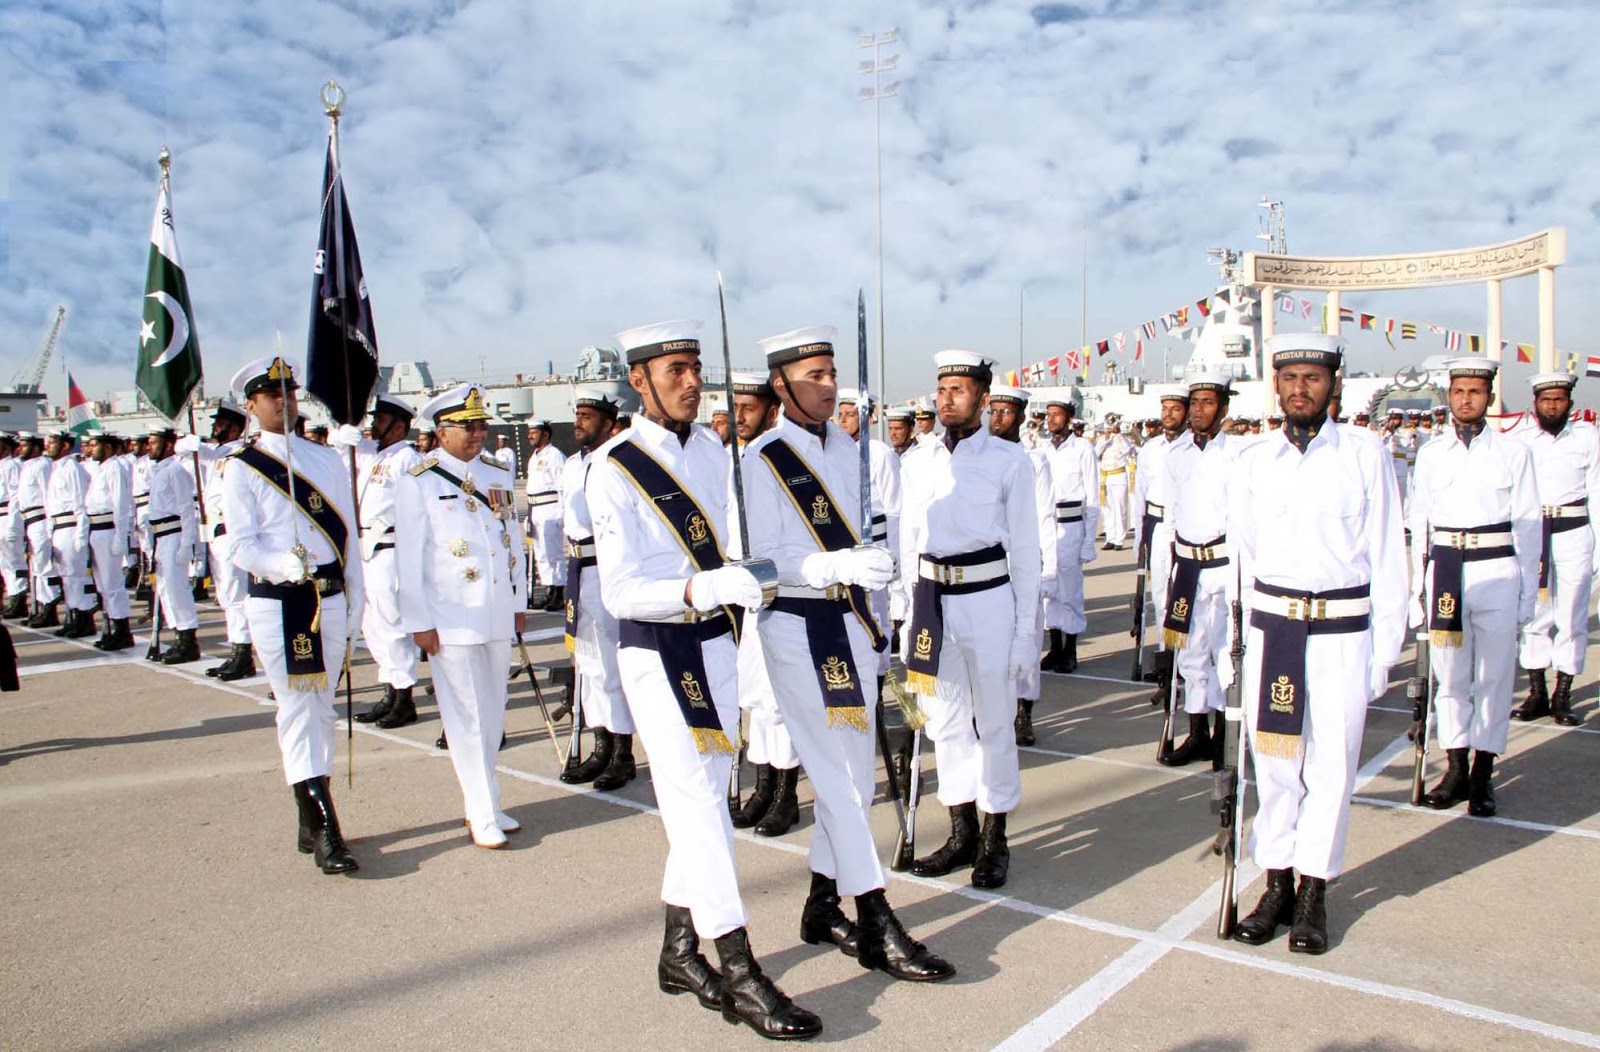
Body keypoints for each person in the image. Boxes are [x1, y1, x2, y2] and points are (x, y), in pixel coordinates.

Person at [586, 320, 820, 1040]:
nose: (692, 382)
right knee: (697, 803)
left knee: (707, 800)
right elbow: (620, 591)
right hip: (659, 651)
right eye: (675, 371)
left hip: (717, 643)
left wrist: (743, 575)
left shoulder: (715, 451)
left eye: (695, 368)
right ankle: (740, 970)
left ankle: (680, 951)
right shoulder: (614, 466)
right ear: (640, 381)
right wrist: (702, 587)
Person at [745, 327, 953, 982]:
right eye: (814, 375)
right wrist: (835, 565)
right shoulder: (762, 459)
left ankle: (819, 904)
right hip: (798, 627)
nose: (829, 385)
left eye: (832, 373)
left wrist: (878, 597)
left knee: (856, 782)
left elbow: (874, 532)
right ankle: (875, 916)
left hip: (854, 623)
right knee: (837, 778)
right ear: (781, 385)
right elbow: (761, 561)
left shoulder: (850, 449)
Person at [1228, 333, 1405, 955]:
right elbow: (1242, 557)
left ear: (1335, 384)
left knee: (1331, 765)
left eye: (1312, 377)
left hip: (1341, 632)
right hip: (1274, 629)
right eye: (1289, 378)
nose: (1300, 389)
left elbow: (1388, 553)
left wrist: (1385, 652)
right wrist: (1234, 642)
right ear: (1275, 386)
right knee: (1276, 762)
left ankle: (1313, 892)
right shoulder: (1253, 459)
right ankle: (1275, 882)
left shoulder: (1364, 453)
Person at [899, 350, 1041, 890]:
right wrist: (905, 610)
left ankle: (994, 836)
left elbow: (1025, 553)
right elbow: (908, 540)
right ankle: (961, 831)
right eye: (942, 389)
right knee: (944, 719)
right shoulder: (918, 462)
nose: (947, 399)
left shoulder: (1009, 461)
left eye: (959, 389)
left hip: (988, 598)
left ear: (983, 398)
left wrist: (1025, 634)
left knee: (995, 721)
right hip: (933, 599)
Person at [221, 356, 364, 875]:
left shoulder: (324, 459)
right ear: (251, 405)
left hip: (331, 597)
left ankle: (308, 817)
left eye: (289, 392)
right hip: (283, 602)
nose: (283, 401)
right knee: (300, 709)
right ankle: (326, 827)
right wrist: (281, 565)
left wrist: (357, 599)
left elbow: (350, 536)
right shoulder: (242, 465)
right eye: (270, 394)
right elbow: (240, 545)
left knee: (321, 710)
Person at [395, 384, 525, 849]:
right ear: (441, 431)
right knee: (466, 717)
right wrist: (418, 621)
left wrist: (518, 604)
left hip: (495, 611)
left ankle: (488, 800)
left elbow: (513, 541)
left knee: (492, 713)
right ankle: (480, 810)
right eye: (467, 426)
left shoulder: (497, 473)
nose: (477, 433)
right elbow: (408, 558)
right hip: (450, 616)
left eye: (481, 425)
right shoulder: (419, 480)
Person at [1409, 358, 1540, 817]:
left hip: (1496, 570)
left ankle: (1484, 772)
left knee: (1494, 677)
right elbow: (1420, 524)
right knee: (1450, 676)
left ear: (1490, 396)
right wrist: (1418, 588)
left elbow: (1528, 526)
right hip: (1446, 570)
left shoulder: (1513, 453)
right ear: (1449, 395)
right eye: (1459, 391)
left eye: (1475, 392)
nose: (1466, 399)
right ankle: (1456, 767)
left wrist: (1527, 593)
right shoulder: (1431, 453)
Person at [723, 371, 801, 834]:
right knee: (754, 695)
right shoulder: (735, 458)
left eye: (748, 409)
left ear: (772, 412)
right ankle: (764, 788)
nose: (738, 417)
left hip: (779, 591)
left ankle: (786, 796)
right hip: (742, 592)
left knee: (780, 699)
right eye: (734, 408)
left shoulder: (782, 459)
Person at [558, 387, 638, 790]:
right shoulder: (572, 464)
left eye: (587, 417)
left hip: (606, 569)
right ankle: (601, 744)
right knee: (589, 665)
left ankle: (623, 753)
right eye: (577, 415)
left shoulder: (617, 462)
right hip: (578, 570)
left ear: (608, 424)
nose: (578, 423)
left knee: (611, 666)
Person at [1158, 373, 1236, 766]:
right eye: (1195, 403)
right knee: (1190, 654)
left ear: (1223, 407)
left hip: (1222, 565)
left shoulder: (1238, 454)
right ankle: (1197, 731)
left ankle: (1223, 734)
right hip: (1187, 567)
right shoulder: (1177, 455)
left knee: (1223, 652)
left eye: (1208, 402)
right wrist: (1169, 566)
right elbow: (1172, 514)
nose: (1199, 411)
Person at [1512, 372, 1597, 727]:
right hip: (1535, 535)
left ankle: (1563, 693)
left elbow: (1597, 491)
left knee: (1572, 614)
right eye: (1545, 400)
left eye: (1558, 399)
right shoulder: (1520, 441)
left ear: (1569, 403)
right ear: (1535, 403)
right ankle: (1537, 692)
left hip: (1574, 532)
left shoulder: (1587, 437)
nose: (1552, 406)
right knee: (1534, 613)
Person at [339, 395, 425, 728]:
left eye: (381, 420)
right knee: (372, 625)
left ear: (399, 425)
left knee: (392, 625)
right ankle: (389, 689)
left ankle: (405, 697)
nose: (374, 425)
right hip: (366, 551)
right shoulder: (376, 457)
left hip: (391, 550)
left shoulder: (407, 458)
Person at [986, 385, 1055, 745]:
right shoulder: (979, 459)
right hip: (990, 564)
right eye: (993, 411)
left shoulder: (1033, 462)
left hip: (1024, 561)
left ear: (1021, 416)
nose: (998, 419)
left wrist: (1048, 571)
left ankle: (1024, 712)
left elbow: (1045, 518)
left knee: (1027, 637)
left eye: (1006, 412)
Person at [177, 401, 256, 679]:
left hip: (231, 531)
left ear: (234, 428)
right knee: (226, 596)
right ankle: (237, 651)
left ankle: (243, 654)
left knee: (236, 596)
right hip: (214, 533)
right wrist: (192, 442)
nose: (214, 427)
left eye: (220, 423)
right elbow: (181, 450)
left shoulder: (241, 454)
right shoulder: (216, 453)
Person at [1130, 387, 1189, 701]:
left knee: (1182, 600)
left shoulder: (1193, 447)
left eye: (1175, 408)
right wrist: (1140, 537)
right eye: (1165, 408)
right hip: (1156, 524)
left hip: (1183, 528)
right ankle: (1166, 660)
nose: (1168, 414)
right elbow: (1140, 494)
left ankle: (1185, 662)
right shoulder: (1150, 449)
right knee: (1160, 599)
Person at [1040, 397, 1098, 672]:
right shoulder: (1041, 449)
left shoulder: (1083, 448)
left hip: (1072, 524)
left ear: (1069, 418)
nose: (1051, 419)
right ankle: (1055, 646)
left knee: (1070, 591)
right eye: (1048, 414)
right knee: (1049, 589)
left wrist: (1089, 541)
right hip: (1048, 525)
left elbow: (1093, 498)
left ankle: (1070, 649)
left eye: (1057, 414)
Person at [142, 425, 201, 663]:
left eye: (154, 442)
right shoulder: (159, 471)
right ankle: (178, 636)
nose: (149, 446)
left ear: (168, 445)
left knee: (177, 589)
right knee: (166, 590)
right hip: (160, 537)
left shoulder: (176, 471)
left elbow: (187, 509)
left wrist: (187, 544)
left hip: (174, 535)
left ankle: (188, 641)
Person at [85, 431, 135, 651]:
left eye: (94, 445)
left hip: (108, 529)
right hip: (95, 528)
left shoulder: (114, 468)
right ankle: (112, 627)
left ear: (106, 447)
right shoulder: (100, 469)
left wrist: (120, 536)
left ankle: (122, 631)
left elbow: (121, 504)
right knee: (103, 584)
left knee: (112, 584)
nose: (90, 449)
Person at [43, 430, 95, 638]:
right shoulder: (57, 469)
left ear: (65, 445)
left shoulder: (73, 469)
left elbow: (81, 504)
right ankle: (73, 617)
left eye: (52, 442)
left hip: (70, 527)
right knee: (67, 577)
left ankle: (84, 619)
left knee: (76, 576)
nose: (47, 445)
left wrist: (81, 536)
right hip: (59, 528)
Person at [12, 433, 57, 626]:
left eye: (25, 445)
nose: (21, 448)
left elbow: (48, 496)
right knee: (36, 567)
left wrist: (49, 527)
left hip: (40, 519)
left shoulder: (42, 466)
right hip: (29, 521)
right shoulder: (27, 467)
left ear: (36, 447)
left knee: (44, 565)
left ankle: (49, 607)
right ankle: (38, 607)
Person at [524, 418, 568, 613]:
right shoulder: (534, 457)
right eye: (529, 432)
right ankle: (549, 589)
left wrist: (562, 513)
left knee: (553, 553)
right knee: (541, 553)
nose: (530, 436)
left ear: (545, 434)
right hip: (535, 508)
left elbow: (563, 485)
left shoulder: (554, 455)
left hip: (551, 508)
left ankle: (558, 592)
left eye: (534, 432)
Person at [1095, 417, 1135, 549]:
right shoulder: (1103, 439)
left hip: (1118, 476)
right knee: (1108, 510)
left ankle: (1119, 539)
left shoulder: (1124, 439)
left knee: (1120, 509)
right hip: (1105, 478)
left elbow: (1129, 449)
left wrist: (1118, 435)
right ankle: (1110, 538)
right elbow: (1096, 453)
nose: (1111, 427)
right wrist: (1106, 438)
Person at [0, 433, 26, 619]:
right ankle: (12, 595)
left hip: (8, 516)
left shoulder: (12, 466)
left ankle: (19, 598)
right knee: (3, 562)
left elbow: (16, 497)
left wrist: (13, 522)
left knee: (14, 560)